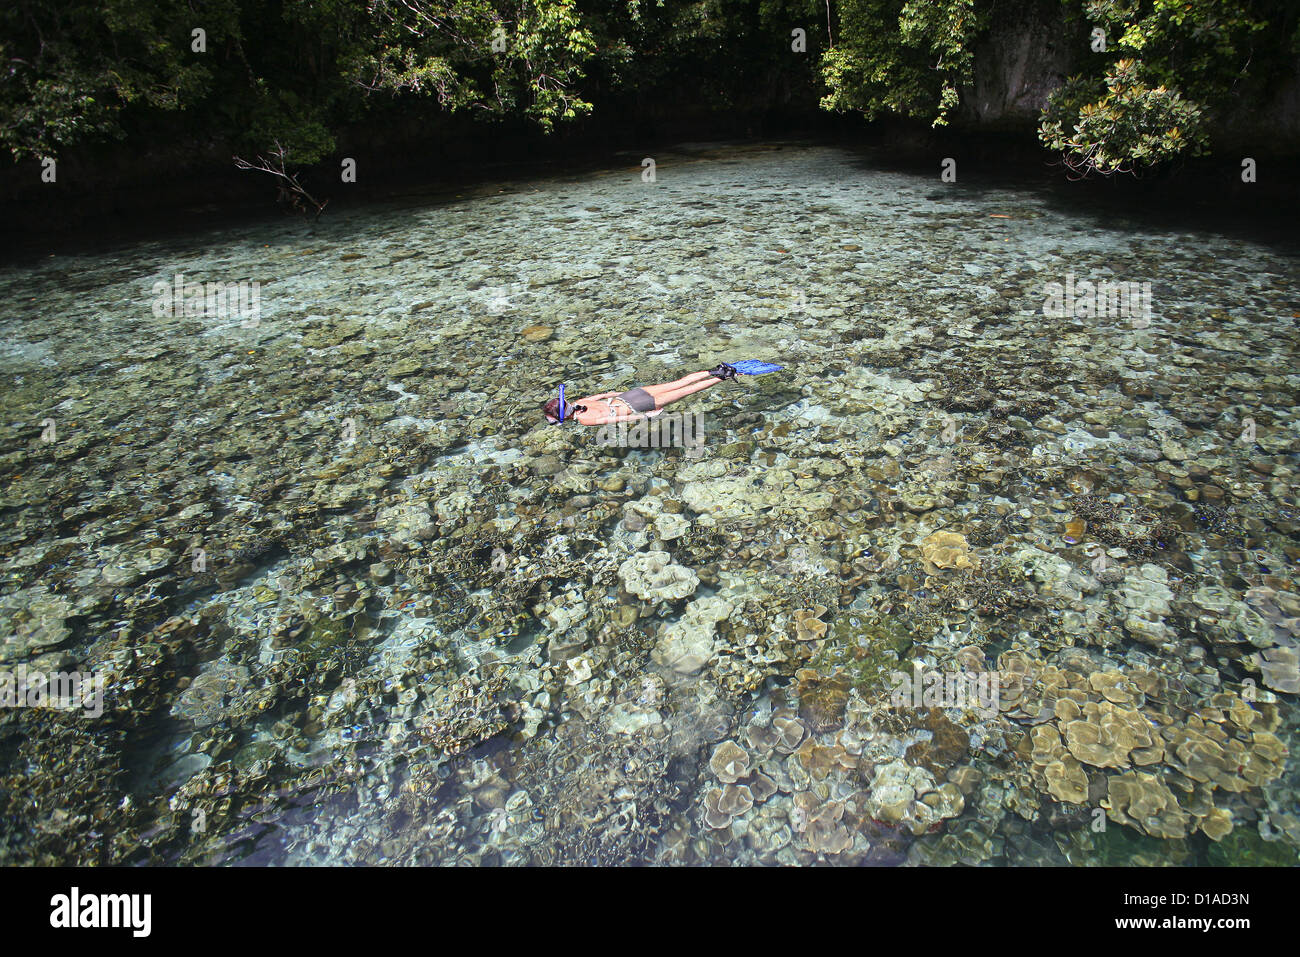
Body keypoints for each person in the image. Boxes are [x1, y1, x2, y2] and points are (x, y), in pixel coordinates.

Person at [544, 364, 739, 426]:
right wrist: (626, 393)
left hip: (636, 406)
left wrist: (645, 416)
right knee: (678, 383)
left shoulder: (585, 420)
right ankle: (716, 370)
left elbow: (615, 419)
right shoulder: (580, 401)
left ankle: (726, 376)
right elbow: (608, 393)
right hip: (631, 395)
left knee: (687, 391)